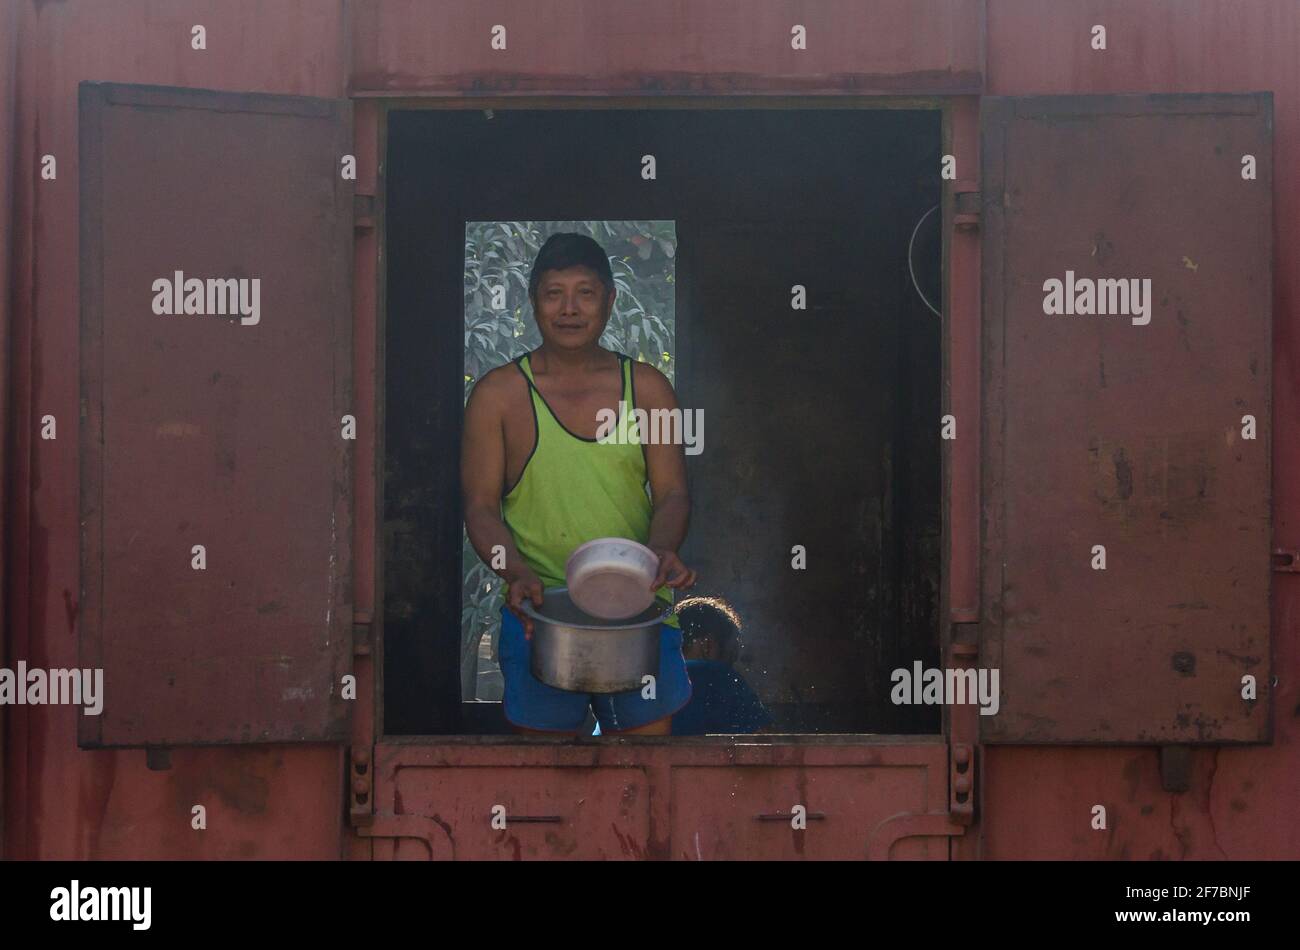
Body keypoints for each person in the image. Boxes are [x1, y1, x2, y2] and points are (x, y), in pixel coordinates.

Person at [461, 232, 697, 736]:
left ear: (610, 300)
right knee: (547, 795)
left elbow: (673, 493)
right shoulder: (498, 396)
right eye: (554, 293)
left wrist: (658, 554)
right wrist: (516, 572)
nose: (569, 309)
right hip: (540, 614)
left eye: (585, 293)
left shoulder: (648, 389)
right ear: (533, 302)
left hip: (638, 612)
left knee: (647, 780)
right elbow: (481, 508)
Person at [670, 595, 772, 735]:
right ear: (707, 645)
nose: (732, 664)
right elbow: (764, 739)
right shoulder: (718, 675)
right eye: (730, 657)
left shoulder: (655, 678)